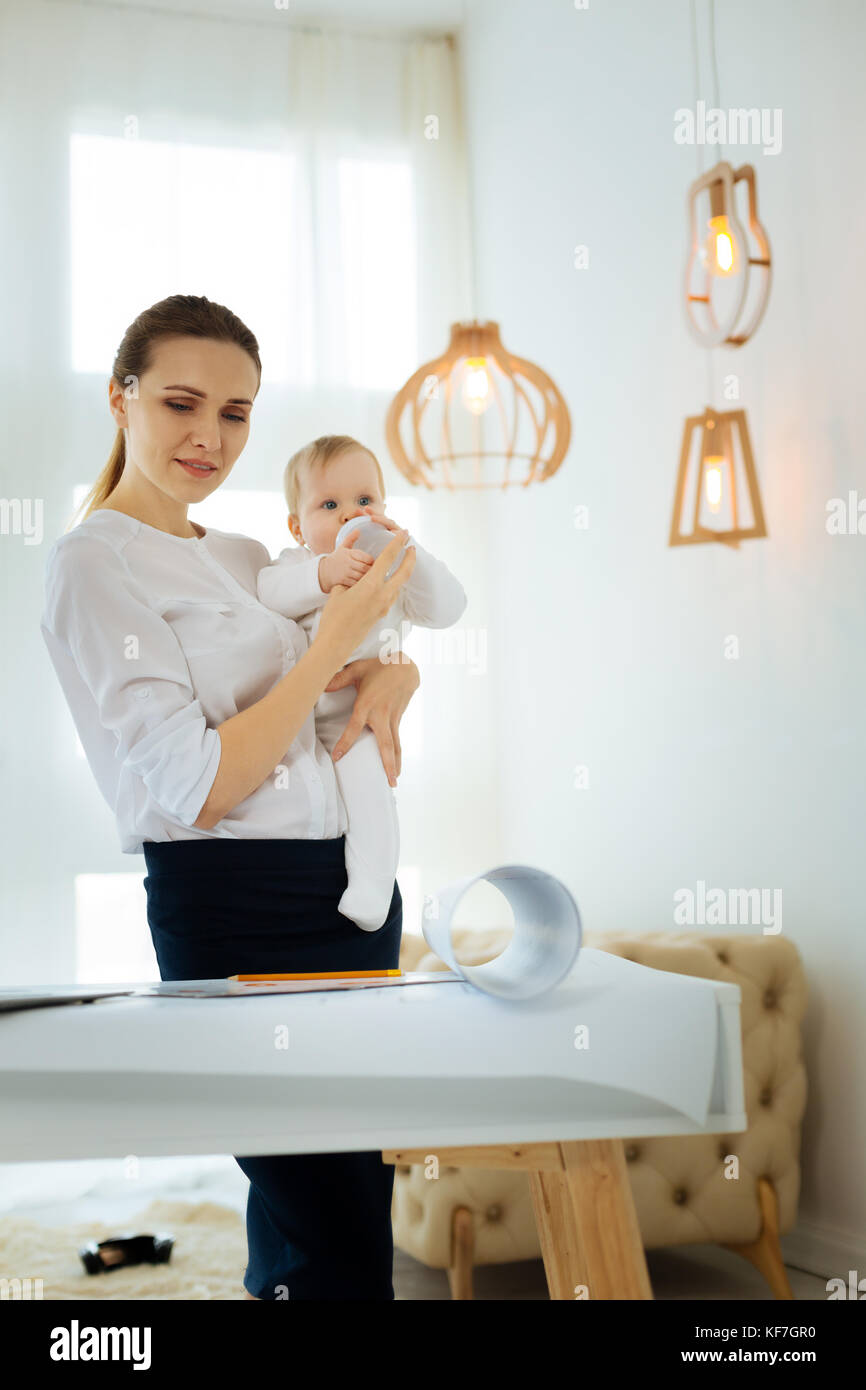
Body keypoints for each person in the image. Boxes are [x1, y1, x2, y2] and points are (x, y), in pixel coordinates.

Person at [40, 293, 420, 1301]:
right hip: (236, 902)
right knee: (320, 1218)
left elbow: (330, 691)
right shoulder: (93, 563)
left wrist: (392, 674)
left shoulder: (248, 556)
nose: (210, 435)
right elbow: (198, 783)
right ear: (119, 400)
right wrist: (339, 646)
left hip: (349, 893)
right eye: (179, 403)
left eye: (238, 411)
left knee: (340, 1207)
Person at [257, 434, 467, 931]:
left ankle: (372, 890)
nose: (351, 514)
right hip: (294, 718)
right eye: (329, 505)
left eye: (365, 501)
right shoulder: (299, 566)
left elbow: (449, 609)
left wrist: (408, 550)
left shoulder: (395, 570)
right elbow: (269, 594)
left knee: (371, 795)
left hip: (359, 718)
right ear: (297, 525)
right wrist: (324, 573)